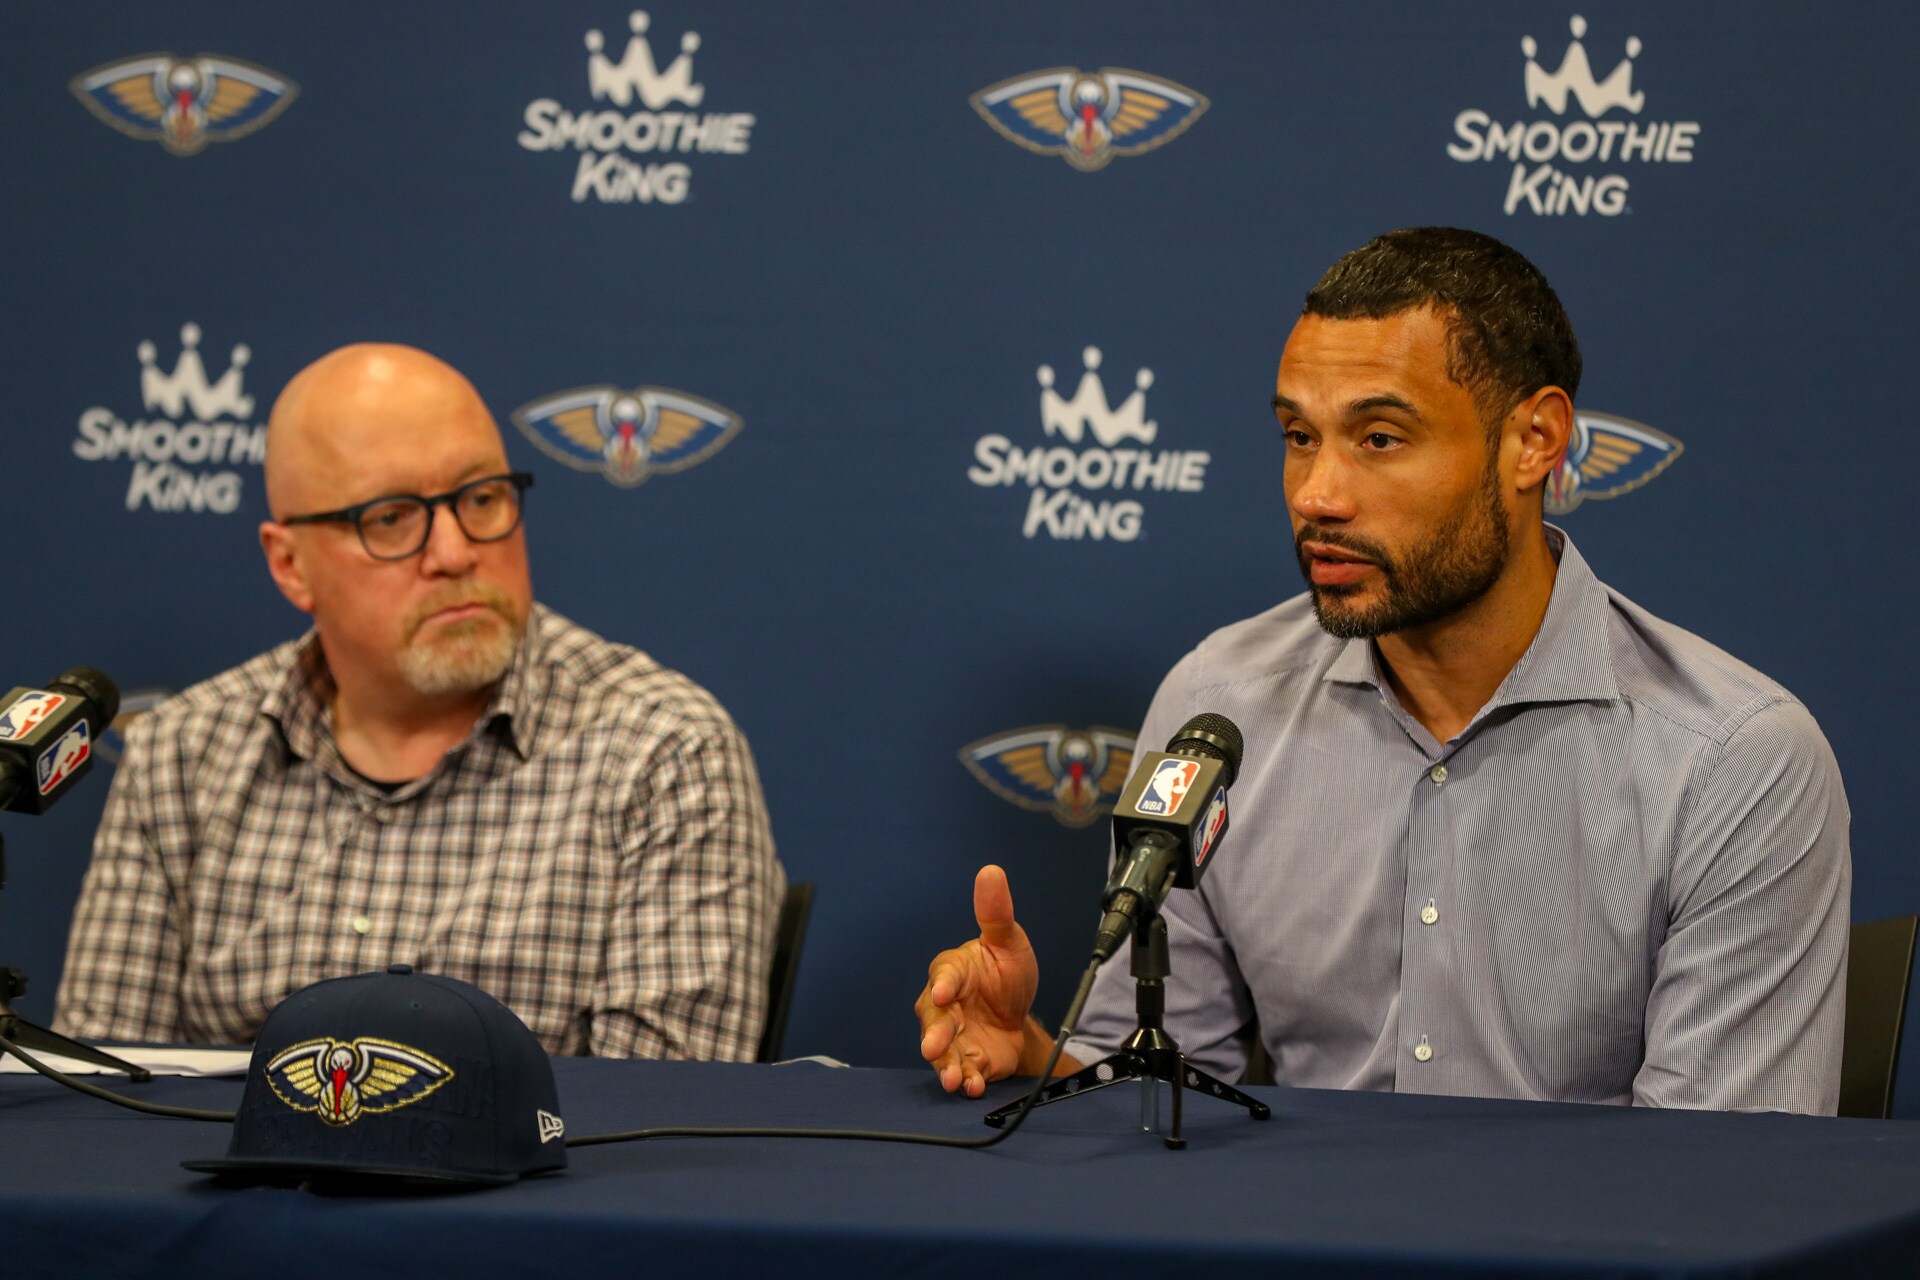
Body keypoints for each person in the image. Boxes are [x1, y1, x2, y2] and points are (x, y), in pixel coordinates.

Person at [915, 228, 1850, 1113]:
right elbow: (1146, 1095)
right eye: (1297, 437)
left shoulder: (1733, 763)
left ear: (1535, 442)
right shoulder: (1214, 707)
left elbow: (1716, 1185)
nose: (1318, 494)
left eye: (1379, 439)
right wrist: (1034, 1053)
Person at [55, 343, 785, 1059]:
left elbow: (656, 1131)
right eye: (392, 517)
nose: (455, 552)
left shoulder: (663, 749)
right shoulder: (181, 754)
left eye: (481, 498)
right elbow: (101, 1097)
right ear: (290, 564)